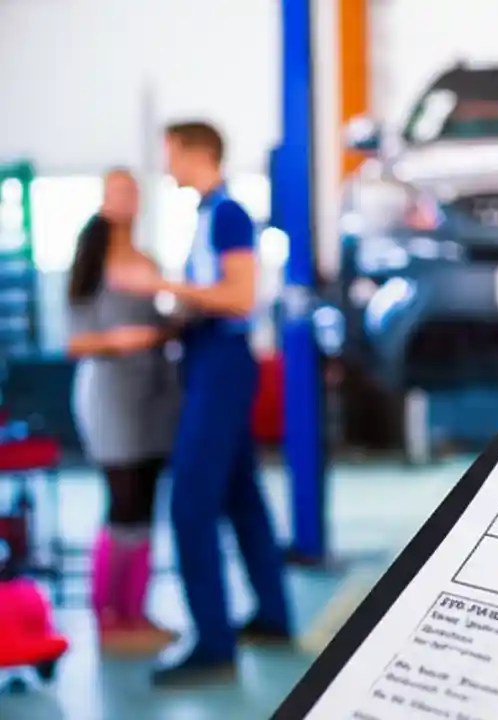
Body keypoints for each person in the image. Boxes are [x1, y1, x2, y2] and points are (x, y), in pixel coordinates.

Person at [110, 121, 292, 686]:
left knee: (189, 503)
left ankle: (212, 643)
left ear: (196, 153)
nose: (166, 169)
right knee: (242, 497)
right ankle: (273, 615)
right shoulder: (209, 215)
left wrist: (160, 286)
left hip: (223, 363)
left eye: (170, 156)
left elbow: (238, 296)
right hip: (207, 356)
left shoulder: (230, 214)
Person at [66, 169, 179, 656]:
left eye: (133, 191)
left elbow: (165, 324)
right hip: (109, 396)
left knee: (146, 507)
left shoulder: (149, 262)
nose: (127, 200)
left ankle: (135, 611)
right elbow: (75, 341)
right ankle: (107, 613)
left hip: (153, 393)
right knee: (122, 504)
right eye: (117, 192)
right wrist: (122, 340)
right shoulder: (89, 262)